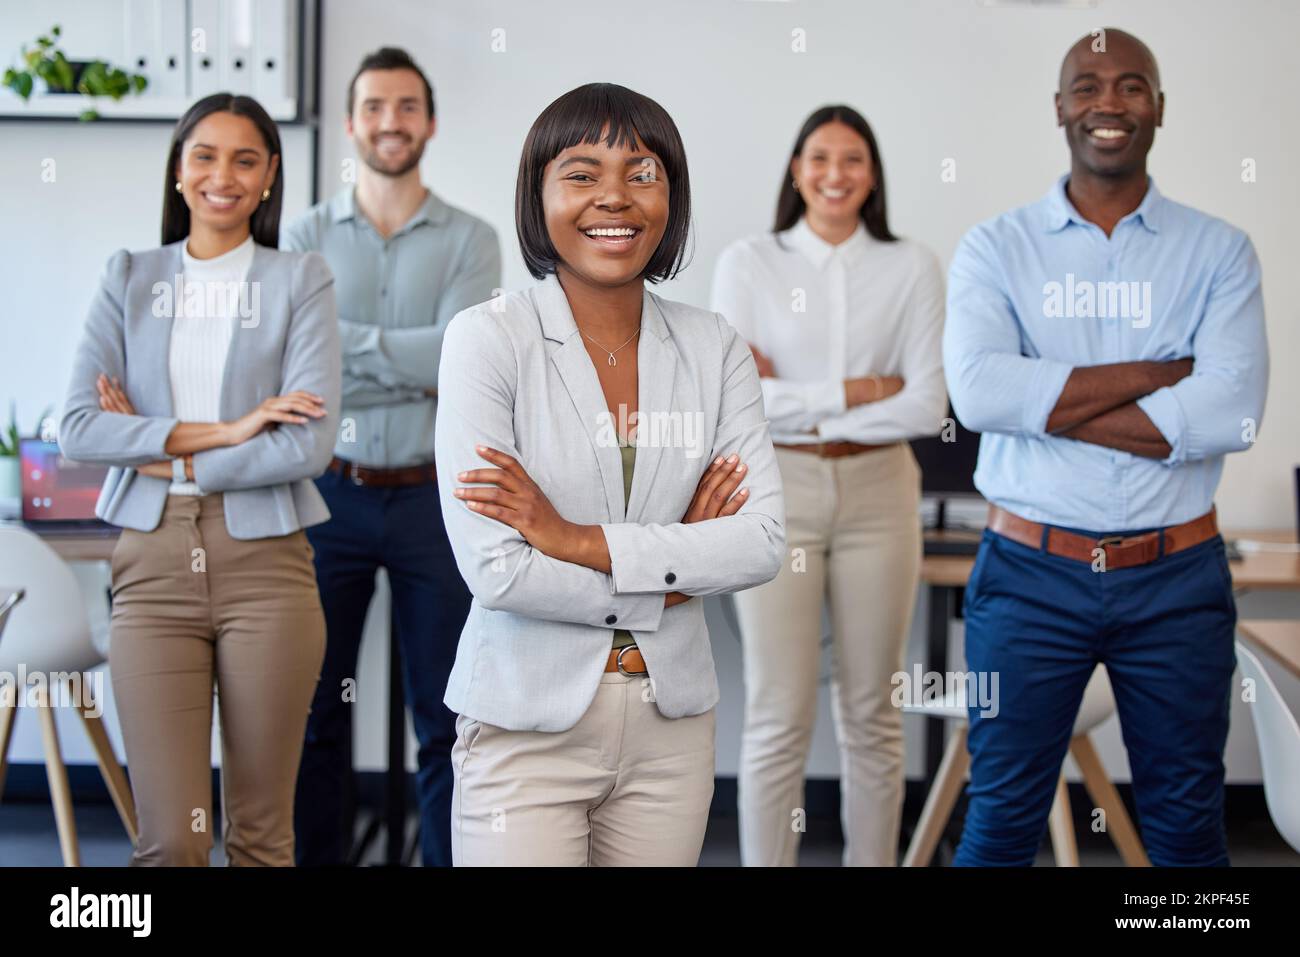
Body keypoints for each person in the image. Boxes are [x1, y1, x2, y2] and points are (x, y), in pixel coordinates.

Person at [434, 82, 786, 866]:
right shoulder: (487, 340)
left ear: (672, 195)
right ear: (540, 194)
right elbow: (497, 570)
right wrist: (678, 562)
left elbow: (759, 541)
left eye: (643, 172)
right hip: (526, 722)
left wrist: (570, 537)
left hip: (671, 726)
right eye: (582, 173)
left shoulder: (713, 345)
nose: (615, 198)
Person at [943, 28, 1268, 866]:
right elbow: (980, 396)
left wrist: (1043, 394)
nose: (1109, 103)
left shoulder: (1220, 251)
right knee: (1002, 821)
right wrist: (1162, 376)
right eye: (1088, 86)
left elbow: (1229, 413)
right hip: (1028, 575)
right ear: (1061, 109)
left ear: (1158, 107)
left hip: (1177, 578)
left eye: (1131, 85)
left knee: (1188, 828)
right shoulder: (994, 247)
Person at [59, 93, 341, 866]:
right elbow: (78, 427)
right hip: (150, 561)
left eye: (246, 158)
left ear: (271, 175)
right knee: (172, 841)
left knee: (259, 834)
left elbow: (308, 444)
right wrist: (233, 426)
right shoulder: (129, 275)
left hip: (267, 565)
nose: (224, 175)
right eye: (205, 156)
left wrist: (158, 449)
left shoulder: (300, 278)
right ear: (179, 172)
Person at [282, 47, 500, 868]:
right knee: (312, 712)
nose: (390, 121)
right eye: (374, 106)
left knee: (444, 715)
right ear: (350, 122)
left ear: (430, 122)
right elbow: (297, 367)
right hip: (323, 498)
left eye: (407, 106)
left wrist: (345, 354)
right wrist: (409, 366)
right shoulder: (302, 235)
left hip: (432, 503)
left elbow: (460, 359)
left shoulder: (472, 240)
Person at [711, 105, 946, 866]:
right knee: (778, 711)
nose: (835, 174)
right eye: (819, 158)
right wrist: (859, 388)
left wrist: (804, 395)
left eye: (852, 160)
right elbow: (734, 397)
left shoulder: (911, 265)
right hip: (780, 487)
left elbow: (927, 403)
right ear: (795, 169)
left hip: (881, 491)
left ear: (872, 174)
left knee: (874, 709)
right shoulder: (750, 262)